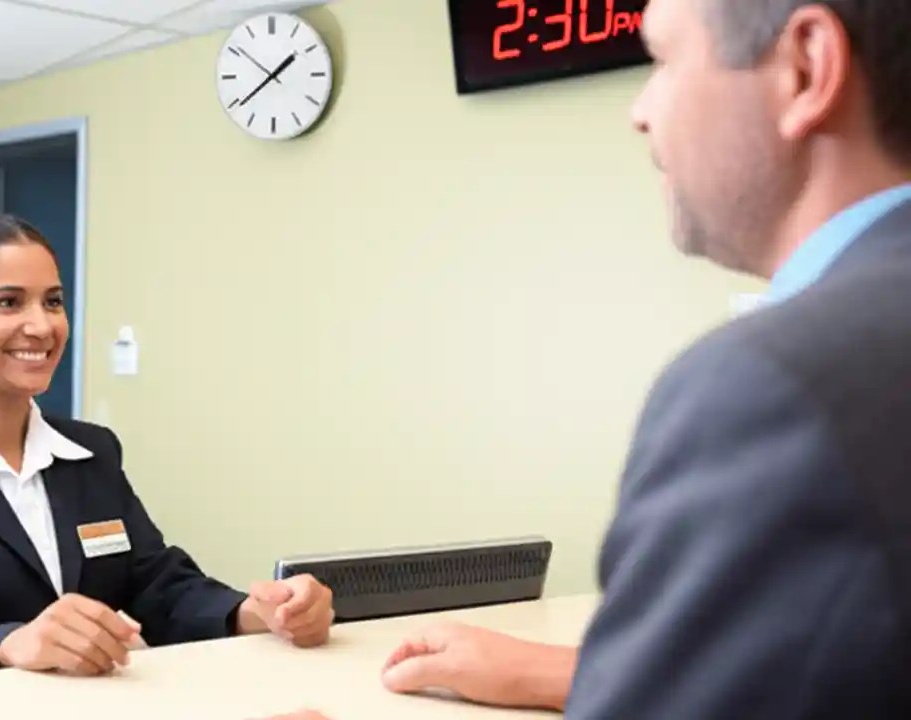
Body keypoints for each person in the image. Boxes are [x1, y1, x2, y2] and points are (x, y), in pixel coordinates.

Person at [265, 0, 911, 717]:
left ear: (805, 68)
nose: (639, 111)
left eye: (662, 60)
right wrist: (578, 674)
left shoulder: (771, 386)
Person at [0, 214, 335, 684]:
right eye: (9, 302)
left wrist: (258, 612)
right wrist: (11, 643)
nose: (43, 325)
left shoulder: (89, 451)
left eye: (52, 301)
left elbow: (155, 585)